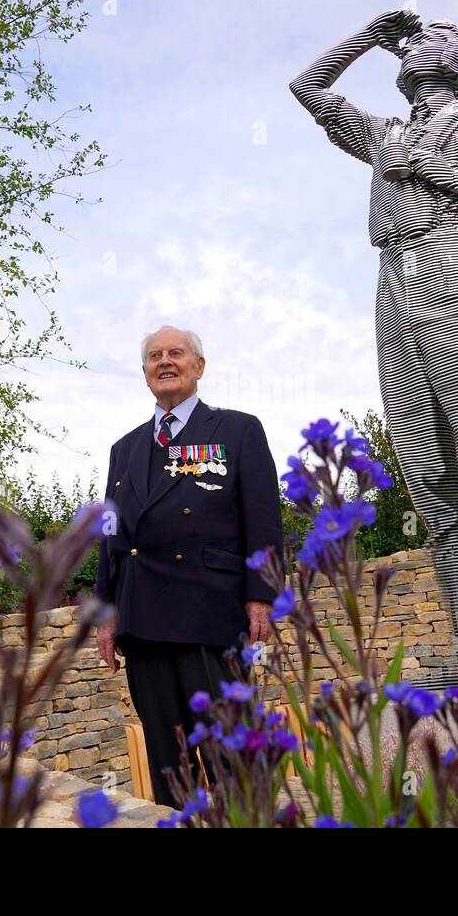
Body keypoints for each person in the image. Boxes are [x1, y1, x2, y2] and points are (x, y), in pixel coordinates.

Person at [290, 11, 458, 695]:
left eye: (417, 40)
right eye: (402, 44)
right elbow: (308, 87)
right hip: (392, 283)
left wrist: (436, 170)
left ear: (452, 59)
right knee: (431, 479)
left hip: (451, 271)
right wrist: (369, 35)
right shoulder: (385, 134)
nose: (405, 50)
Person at [95, 325, 283, 807]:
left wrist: (261, 593)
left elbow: (263, 518)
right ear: (144, 374)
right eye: (155, 356)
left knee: (230, 758)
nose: (165, 362)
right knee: (168, 765)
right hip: (142, 621)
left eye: (176, 353)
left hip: (211, 617)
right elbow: (110, 535)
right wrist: (106, 611)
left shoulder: (238, 430)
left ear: (198, 366)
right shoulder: (124, 448)